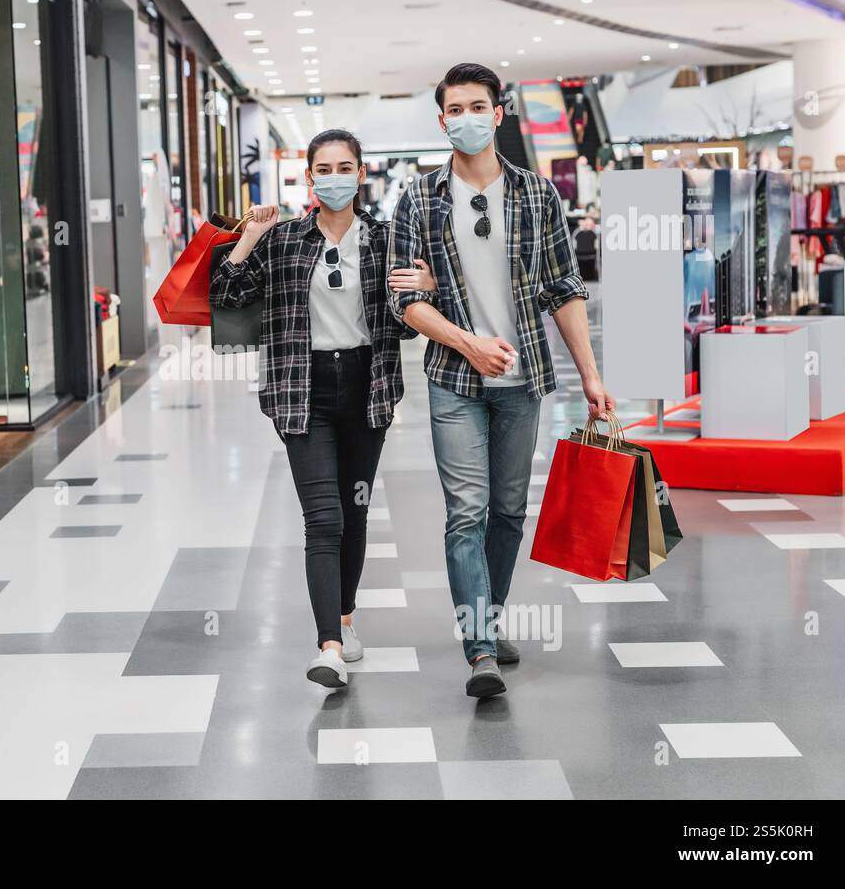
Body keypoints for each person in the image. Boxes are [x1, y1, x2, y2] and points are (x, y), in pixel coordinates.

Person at [388, 63, 615, 699]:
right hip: (452, 380)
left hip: (523, 382)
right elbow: (401, 301)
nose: (465, 116)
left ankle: (486, 614)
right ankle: (481, 645)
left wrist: (591, 378)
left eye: (476, 105)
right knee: (467, 510)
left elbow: (565, 289)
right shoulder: (419, 198)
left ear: (499, 112)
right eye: (453, 108)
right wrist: (468, 343)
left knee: (509, 512)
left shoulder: (537, 195)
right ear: (441, 120)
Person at [210, 129, 432, 690]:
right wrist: (248, 237)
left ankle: (347, 619)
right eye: (323, 169)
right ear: (309, 178)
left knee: (354, 513)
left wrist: (427, 286)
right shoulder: (284, 239)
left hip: (367, 388)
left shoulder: (384, 240)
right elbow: (227, 295)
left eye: (345, 167)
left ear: (362, 174)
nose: (334, 177)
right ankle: (328, 645)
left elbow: (413, 315)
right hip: (302, 389)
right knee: (324, 518)